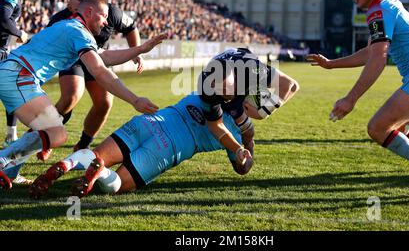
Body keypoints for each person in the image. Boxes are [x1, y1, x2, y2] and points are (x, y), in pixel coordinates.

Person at [29, 49, 299, 198]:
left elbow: (232, 81)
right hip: (166, 149)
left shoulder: (203, 91)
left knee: (98, 153)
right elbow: (243, 167)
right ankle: (100, 175)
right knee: (117, 186)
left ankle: (67, 165)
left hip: (151, 122)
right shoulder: (233, 126)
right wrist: (246, 145)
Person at [306, 0, 409, 203]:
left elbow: (378, 58)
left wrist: (351, 99)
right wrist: (331, 64)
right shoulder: (387, 3)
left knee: (377, 128)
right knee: (401, 131)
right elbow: (371, 52)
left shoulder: (378, 9)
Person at [0, 0, 166, 189]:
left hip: (14, 73)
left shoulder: (70, 26)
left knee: (48, 130)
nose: (105, 22)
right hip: (20, 76)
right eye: (103, 16)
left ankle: (8, 171)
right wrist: (134, 100)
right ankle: (4, 162)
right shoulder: (79, 31)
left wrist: (139, 49)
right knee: (57, 134)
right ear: (89, 12)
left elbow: (104, 56)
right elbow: (100, 70)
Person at [48, 0, 145, 152]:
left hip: (98, 58)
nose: (72, 11)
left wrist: (137, 51)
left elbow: (131, 27)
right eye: (71, 8)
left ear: (89, 8)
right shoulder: (60, 19)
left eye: (76, 8)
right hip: (73, 60)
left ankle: (83, 146)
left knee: (105, 102)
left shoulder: (111, 12)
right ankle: (45, 137)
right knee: (71, 97)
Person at [0, 0, 32, 185]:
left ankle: (11, 135)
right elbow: (3, 18)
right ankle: (12, 137)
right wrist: (20, 33)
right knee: (17, 93)